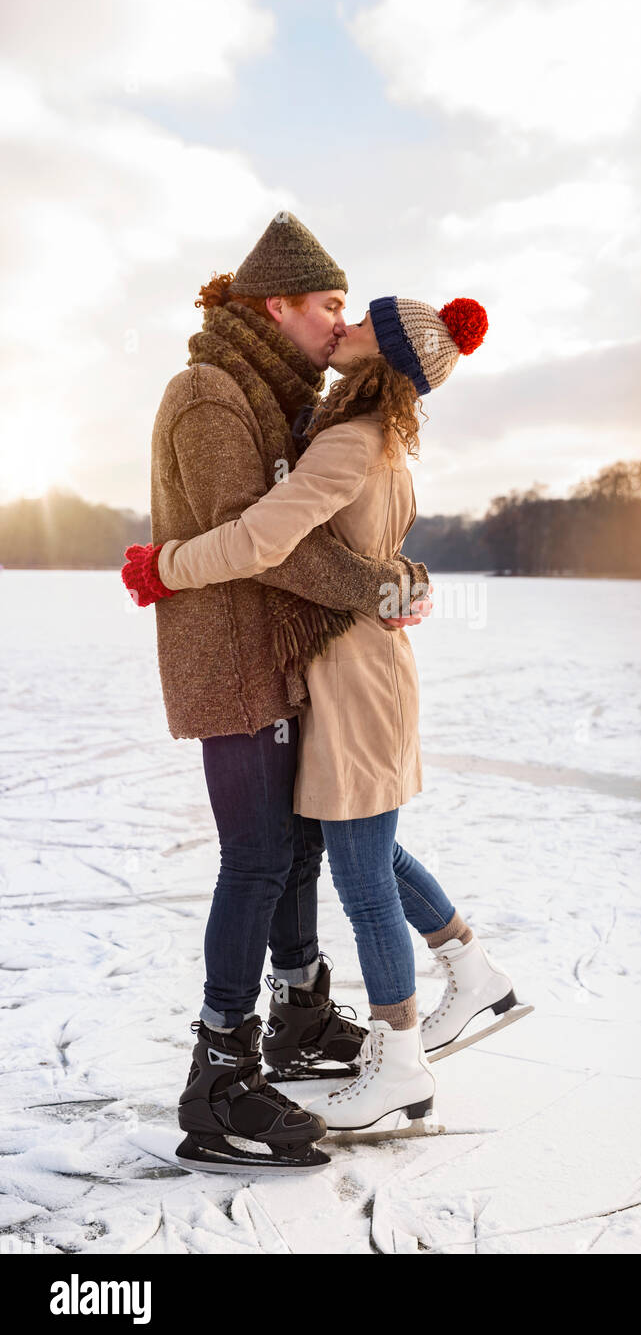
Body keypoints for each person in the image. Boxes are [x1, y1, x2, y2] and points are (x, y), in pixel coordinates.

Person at [123, 291, 533, 1147]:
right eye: (335, 312)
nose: (339, 329)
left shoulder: (350, 439)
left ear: (382, 356)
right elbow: (375, 555)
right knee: (364, 848)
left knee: (361, 876)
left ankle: (400, 1061)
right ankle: (469, 963)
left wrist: (167, 565)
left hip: (353, 685)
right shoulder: (376, 437)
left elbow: (263, 539)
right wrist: (399, 581)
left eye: (358, 324)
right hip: (360, 677)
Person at [123, 212, 432, 1172]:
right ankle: (219, 1074)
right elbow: (257, 546)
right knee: (256, 859)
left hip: (281, 657)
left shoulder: (287, 398)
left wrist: (399, 575)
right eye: (329, 305)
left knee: (296, 847)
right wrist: (379, 590)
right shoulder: (212, 394)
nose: (337, 324)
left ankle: (297, 1016)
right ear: (278, 306)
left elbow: (319, 531)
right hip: (231, 661)